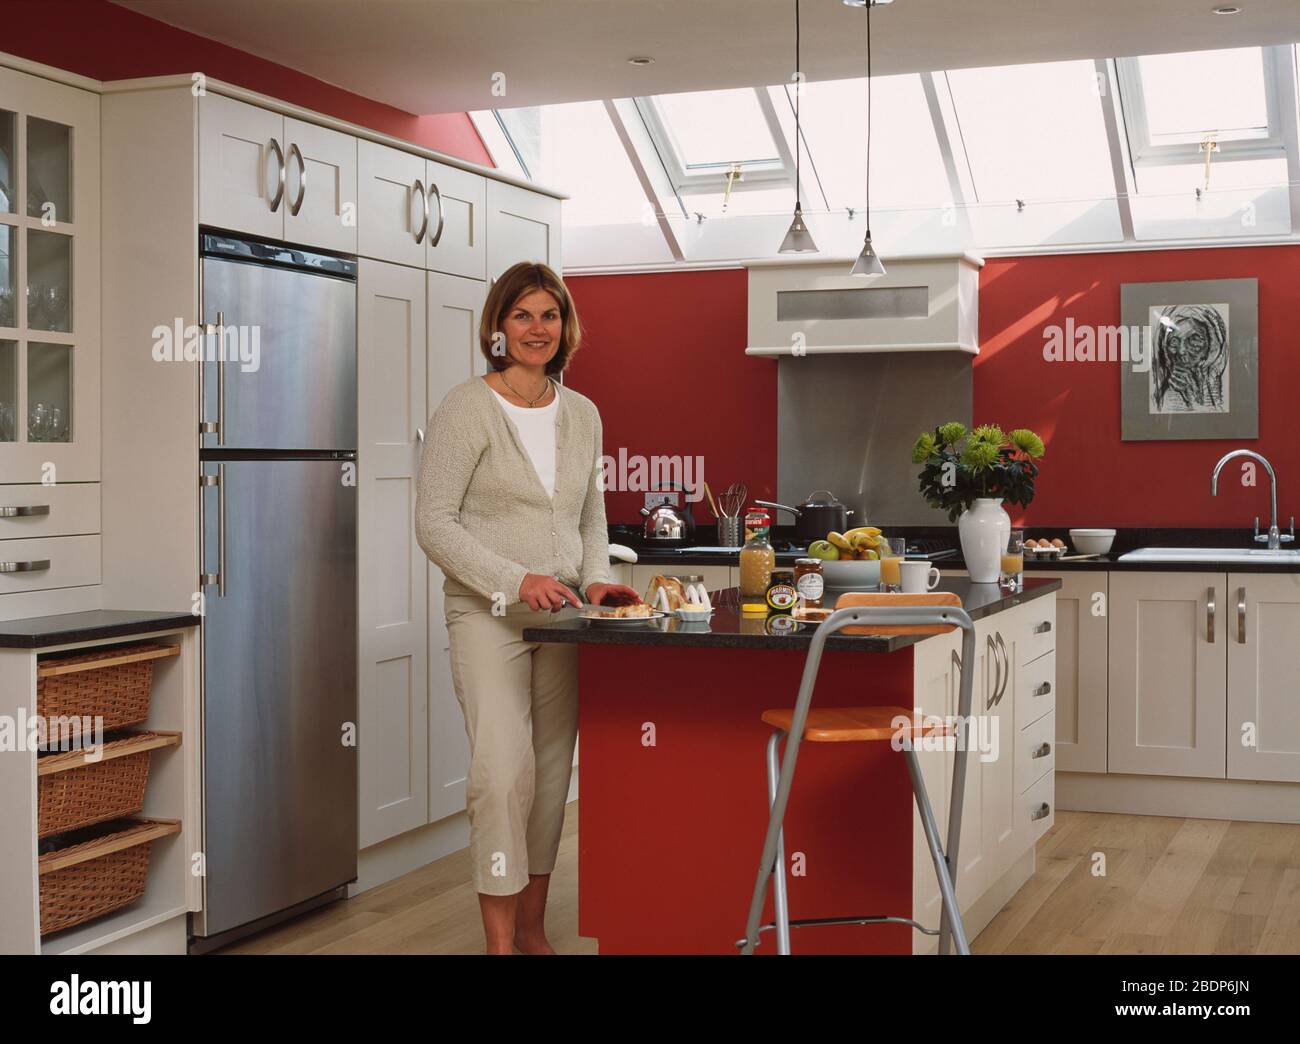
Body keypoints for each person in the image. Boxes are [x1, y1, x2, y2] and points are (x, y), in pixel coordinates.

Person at [415, 261, 640, 954]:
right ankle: (499, 944)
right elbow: (434, 523)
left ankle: (533, 931)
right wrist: (516, 580)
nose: (537, 329)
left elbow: (591, 517)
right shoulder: (466, 407)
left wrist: (596, 581)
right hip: (488, 612)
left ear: (565, 327)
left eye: (549, 315)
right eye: (522, 315)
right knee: (501, 774)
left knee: (547, 776)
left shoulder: (583, 414)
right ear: (497, 327)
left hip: (564, 618)